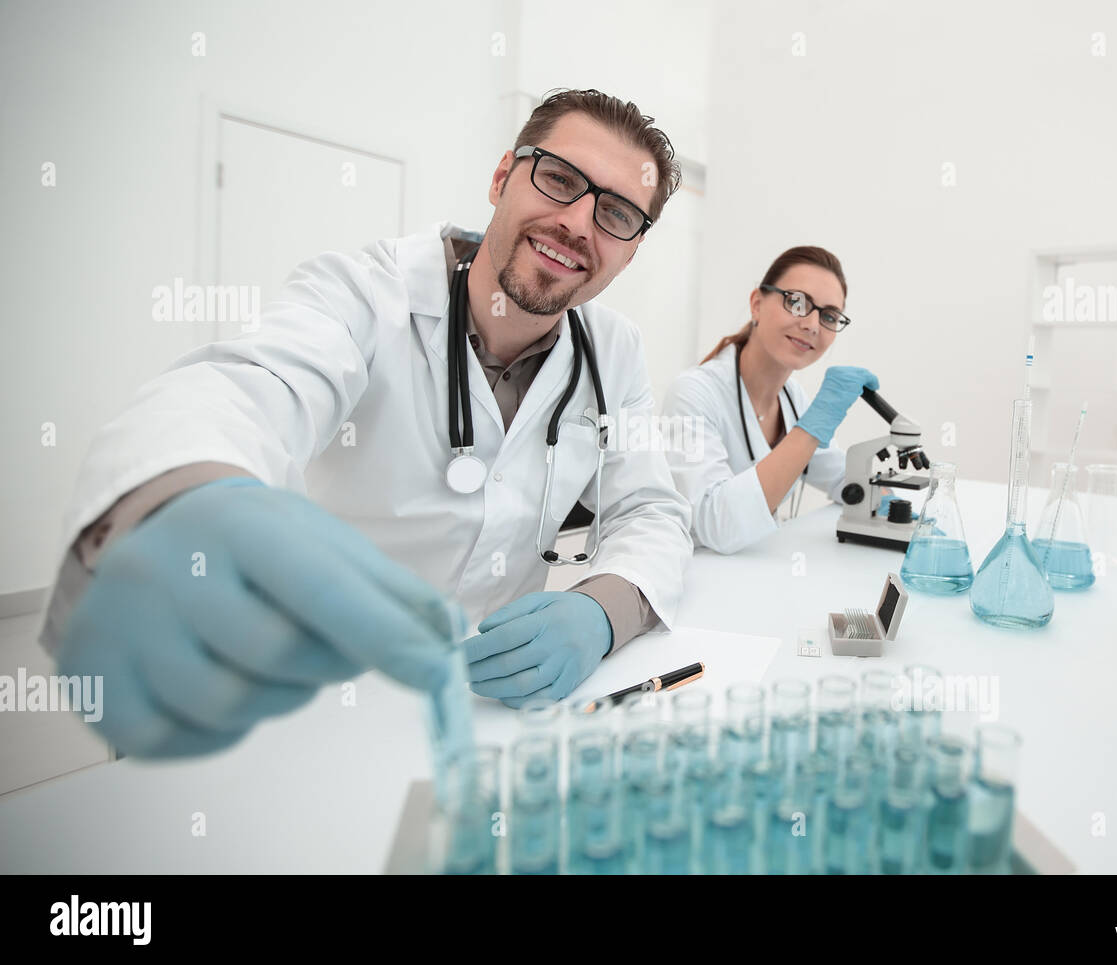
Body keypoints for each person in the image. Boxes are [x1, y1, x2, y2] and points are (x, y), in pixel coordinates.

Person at [39, 88, 693, 757]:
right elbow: (249, 386)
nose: (579, 223)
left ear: (631, 249)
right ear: (502, 177)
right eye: (558, 179)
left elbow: (649, 508)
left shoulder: (614, 351)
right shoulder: (364, 294)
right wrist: (186, 500)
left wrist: (603, 610)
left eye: (615, 213)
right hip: (311, 696)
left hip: (492, 701)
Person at [661, 246, 878, 554]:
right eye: (798, 302)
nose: (812, 325)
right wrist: (814, 427)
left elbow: (845, 480)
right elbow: (717, 524)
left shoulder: (792, 399)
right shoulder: (693, 394)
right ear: (757, 304)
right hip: (696, 576)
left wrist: (889, 491)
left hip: (755, 572)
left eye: (829, 316)